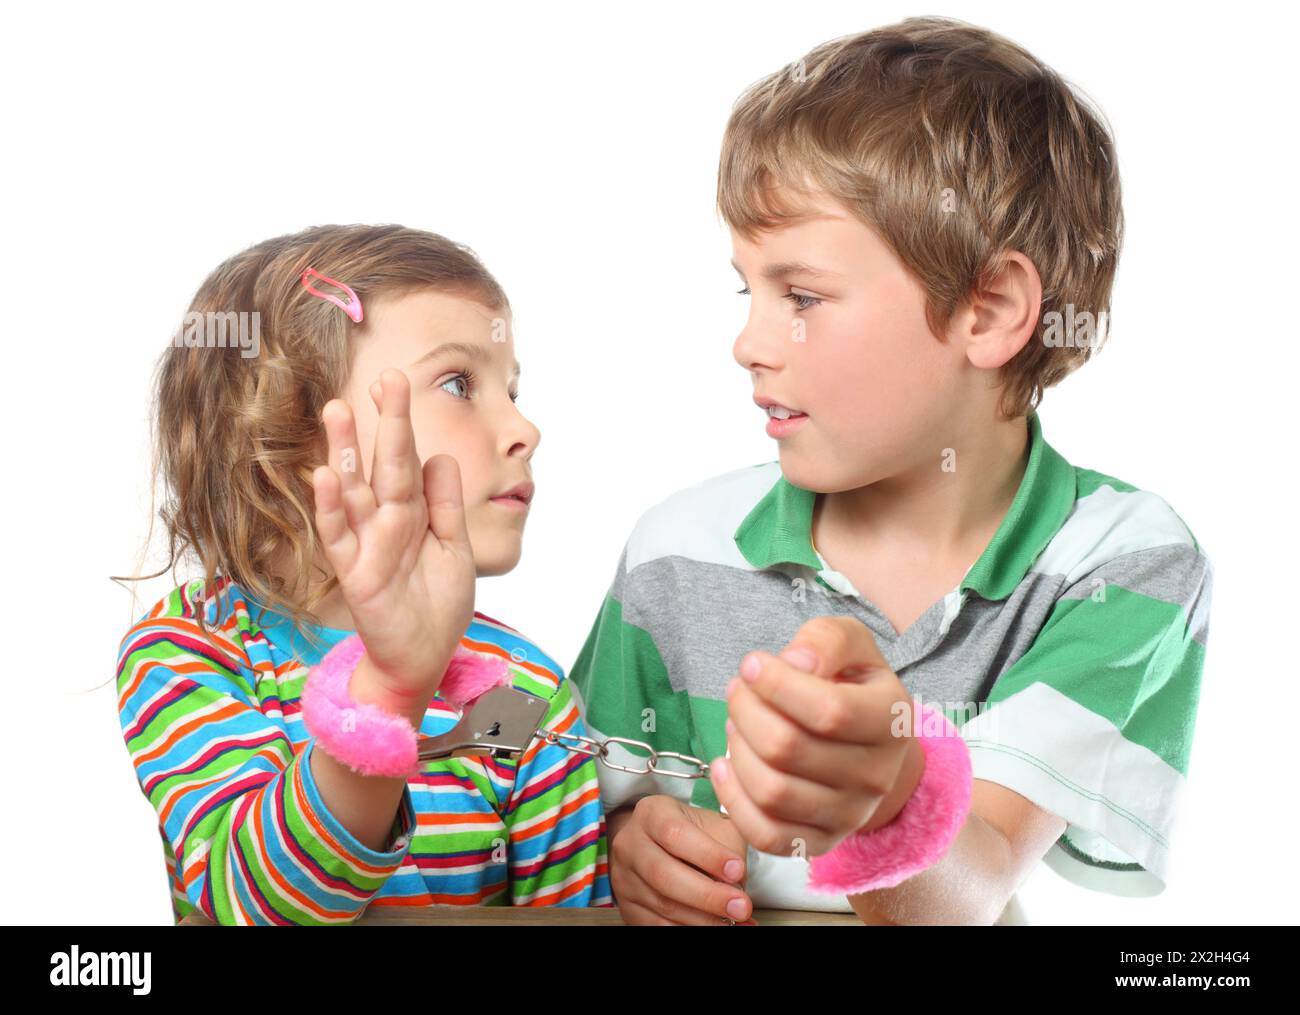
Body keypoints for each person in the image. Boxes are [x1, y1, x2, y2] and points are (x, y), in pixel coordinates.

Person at [569, 17, 1213, 925]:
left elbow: (972, 885)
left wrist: (890, 797)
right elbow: (555, 818)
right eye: (744, 289)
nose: (747, 343)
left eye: (800, 295)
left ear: (986, 311)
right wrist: (630, 844)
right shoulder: (676, 551)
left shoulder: (1116, 564)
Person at [115, 224, 611, 925]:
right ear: (286, 436)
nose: (525, 428)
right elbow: (257, 907)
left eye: (513, 388)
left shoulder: (526, 693)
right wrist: (394, 690)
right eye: (459, 382)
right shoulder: (189, 653)